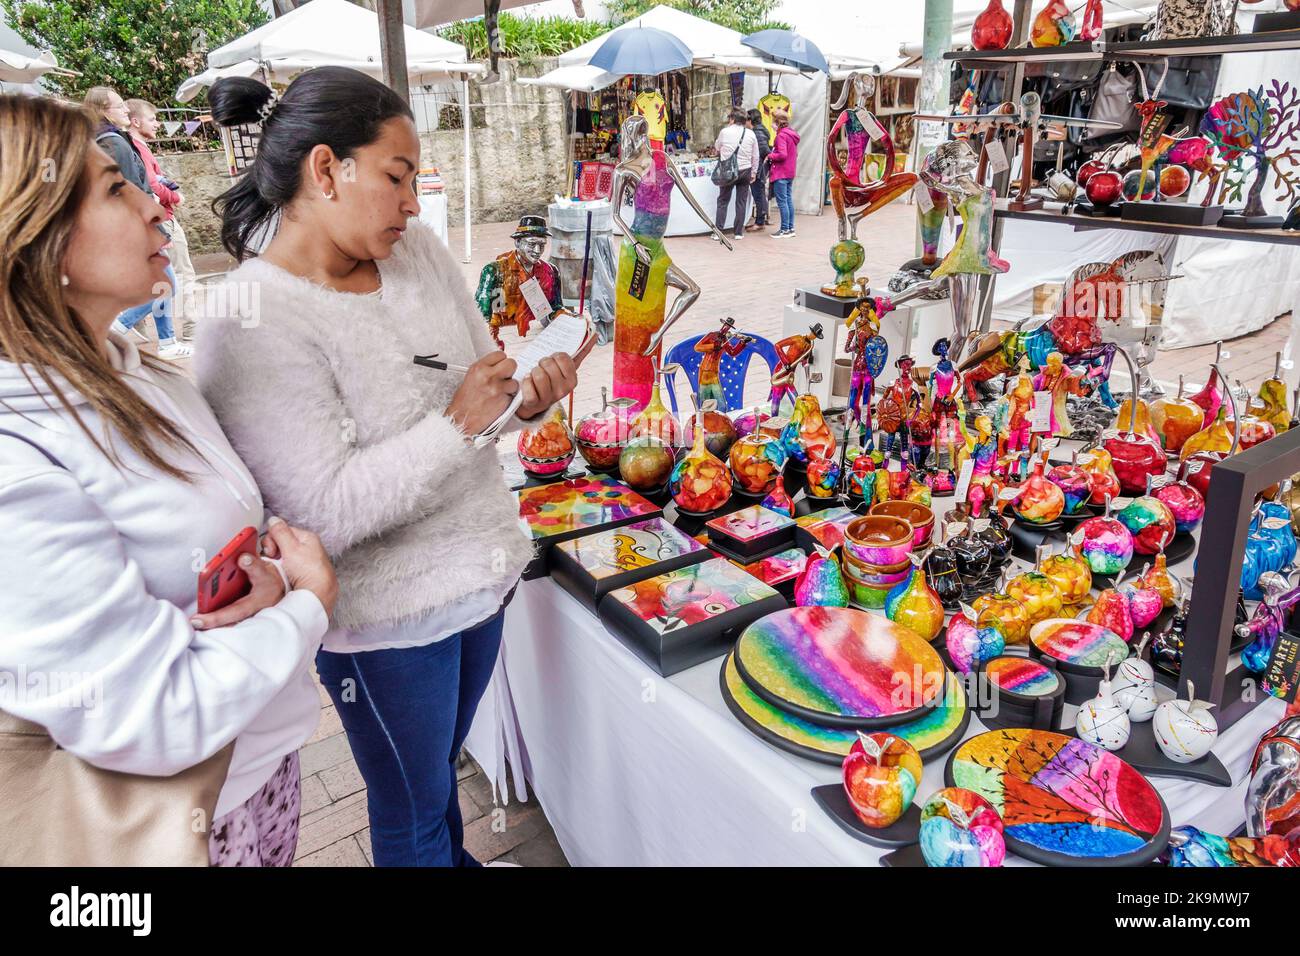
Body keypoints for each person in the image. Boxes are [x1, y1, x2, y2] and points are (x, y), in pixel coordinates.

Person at [197, 67, 582, 867]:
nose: (414, 201)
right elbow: (318, 514)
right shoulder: (252, 317)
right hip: (386, 621)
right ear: (327, 169)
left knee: (435, 780)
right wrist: (457, 424)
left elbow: (486, 385)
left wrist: (530, 398)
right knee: (410, 808)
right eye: (398, 176)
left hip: (483, 576)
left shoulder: (419, 254)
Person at [0, 93, 338, 866]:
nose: (157, 206)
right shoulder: (15, 449)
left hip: (253, 775)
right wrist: (307, 604)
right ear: (34, 236)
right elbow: (149, 712)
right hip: (162, 831)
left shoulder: (137, 366)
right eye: (116, 189)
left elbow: (221, 537)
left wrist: (273, 580)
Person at [83, 87, 187, 358]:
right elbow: (130, 191)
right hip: (136, 227)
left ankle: (167, 342)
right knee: (167, 284)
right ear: (104, 110)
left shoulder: (100, 140)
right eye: (120, 106)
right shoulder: (114, 143)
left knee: (164, 283)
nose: (126, 110)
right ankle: (114, 328)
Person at [126, 98, 200, 342]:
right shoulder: (135, 147)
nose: (157, 124)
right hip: (163, 219)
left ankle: (151, 334)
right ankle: (190, 329)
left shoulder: (129, 146)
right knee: (182, 275)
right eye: (151, 119)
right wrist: (176, 197)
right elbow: (152, 185)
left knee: (154, 279)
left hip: (145, 221)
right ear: (135, 121)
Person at [474, 214, 563, 348]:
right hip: (499, 325)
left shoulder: (550, 271)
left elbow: (555, 308)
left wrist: (568, 319)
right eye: (532, 244)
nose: (537, 251)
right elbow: (480, 316)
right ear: (518, 242)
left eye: (542, 245)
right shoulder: (493, 271)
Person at [712, 109, 757, 241]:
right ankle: (738, 232)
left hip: (728, 171)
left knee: (723, 201)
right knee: (741, 202)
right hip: (745, 170)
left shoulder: (725, 132)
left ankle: (718, 232)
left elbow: (717, 147)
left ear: (732, 119)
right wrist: (753, 172)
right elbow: (756, 156)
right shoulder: (751, 134)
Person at [767, 108, 800, 238]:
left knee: (782, 202)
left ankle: (784, 229)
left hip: (780, 172)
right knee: (788, 200)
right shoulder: (791, 134)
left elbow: (782, 154)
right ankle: (790, 228)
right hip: (789, 172)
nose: (771, 124)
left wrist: (770, 155)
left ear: (777, 122)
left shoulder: (781, 136)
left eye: (773, 121)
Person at [745, 108, 771, 231]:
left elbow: (765, 150)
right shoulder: (760, 131)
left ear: (750, 120)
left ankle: (760, 222)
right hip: (760, 167)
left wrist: (758, 162)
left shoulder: (757, 133)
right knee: (759, 194)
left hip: (759, 168)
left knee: (758, 194)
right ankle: (762, 219)